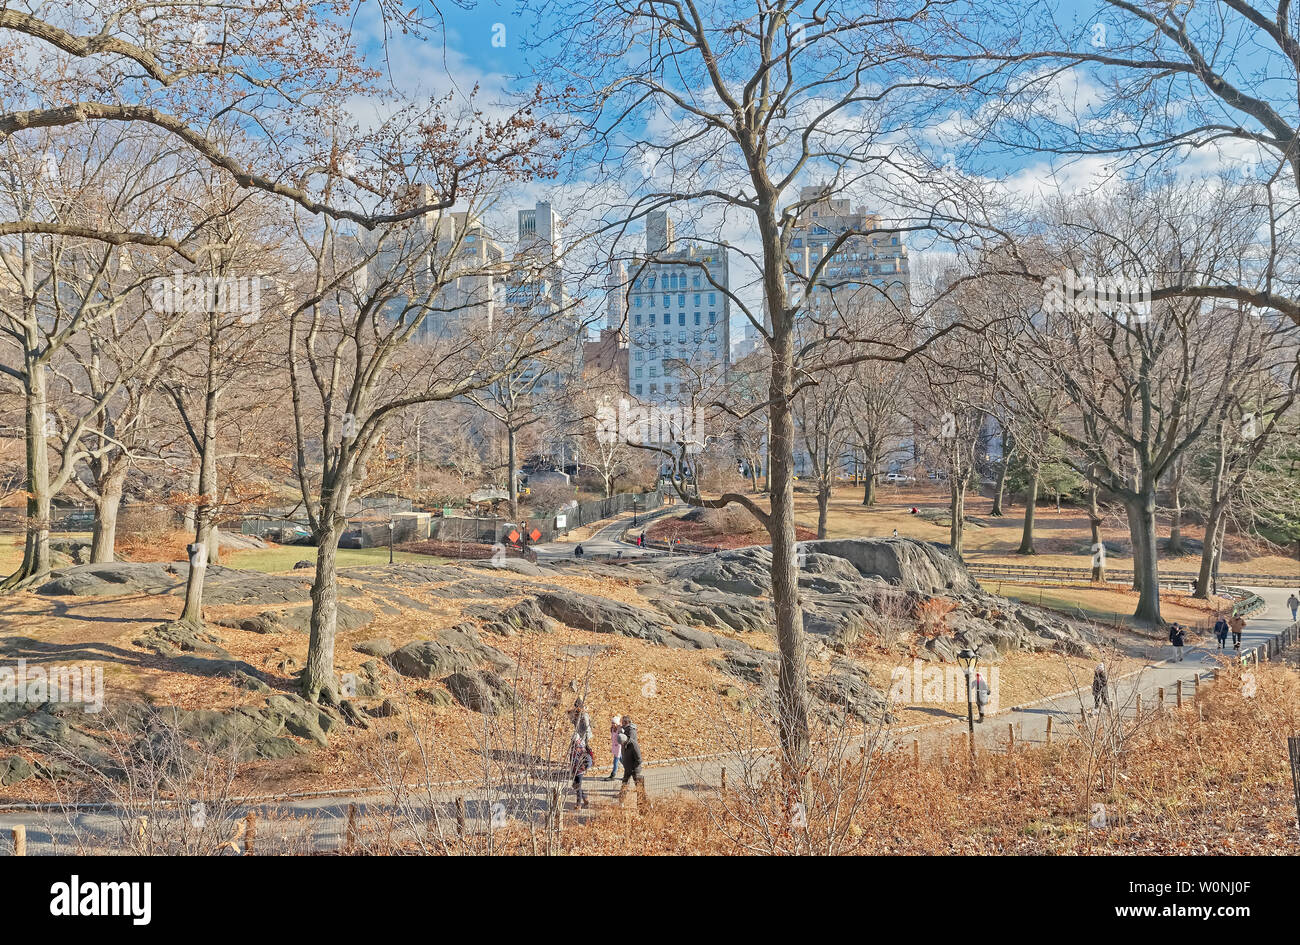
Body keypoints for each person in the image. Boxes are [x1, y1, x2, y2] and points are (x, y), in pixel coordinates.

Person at [616, 715, 647, 809]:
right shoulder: (624, 738)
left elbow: (639, 759)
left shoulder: (632, 741)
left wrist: (634, 768)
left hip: (634, 768)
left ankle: (642, 805)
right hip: (628, 766)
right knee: (624, 783)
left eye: (623, 723)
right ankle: (621, 802)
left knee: (639, 787)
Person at [568, 732, 592, 810]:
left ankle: (578, 805)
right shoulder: (573, 747)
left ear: (578, 740)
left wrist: (583, 767)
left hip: (579, 771)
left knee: (578, 787)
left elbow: (588, 760)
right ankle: (585, 799)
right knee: (576, 786)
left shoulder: (582, 748)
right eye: (573, 741)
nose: (574, 742)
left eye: (575, 741)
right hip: (574, 769)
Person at [606, 715, 623, 780]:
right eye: (612, 723)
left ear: (617, 723)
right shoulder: (612, 729)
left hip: (619, 746)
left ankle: (613, 774)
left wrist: (620, 728)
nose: (613, 724)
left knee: (615, 761)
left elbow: (622, 736)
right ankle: (628, 771)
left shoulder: (619, 730)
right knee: (622, 760)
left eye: (614, 723)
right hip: (614, 746)